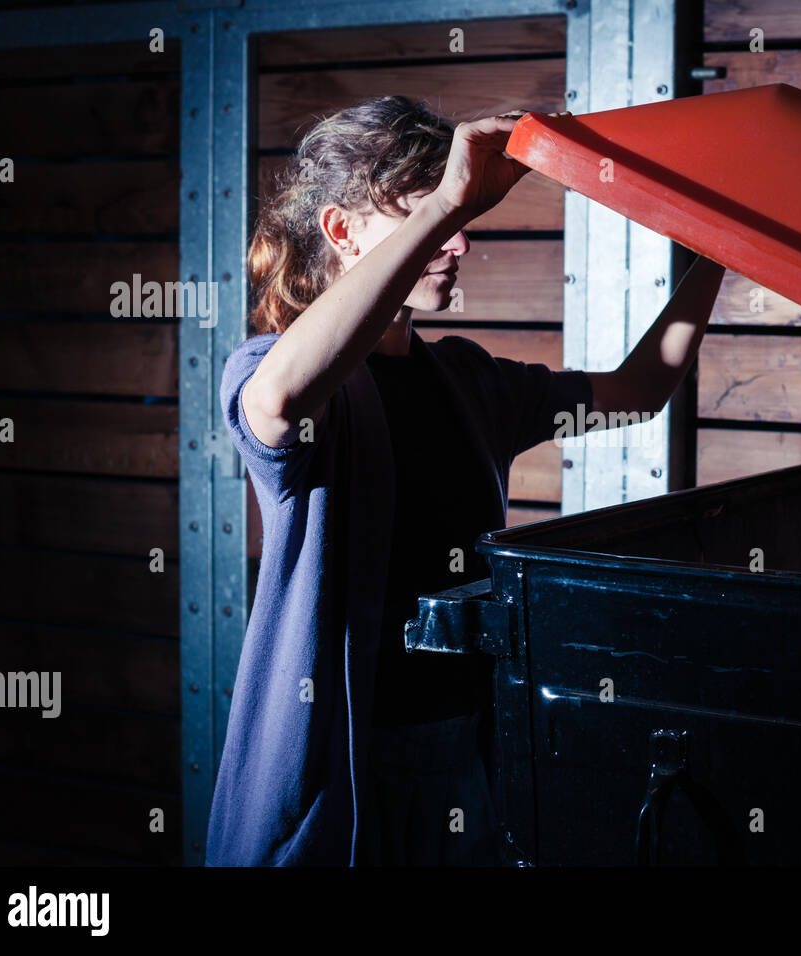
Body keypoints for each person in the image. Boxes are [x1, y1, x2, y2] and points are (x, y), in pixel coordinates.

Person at [204, 95, 725, 866]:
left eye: (455, 224)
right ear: (342, 232)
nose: (459, 243)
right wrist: (449, 199)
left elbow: (639, 392)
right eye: (430, 221)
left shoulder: (468, 381)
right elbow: (278, 400)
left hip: (465, 763)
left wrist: (718, 251)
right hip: (336, 772)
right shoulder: (269, 369)